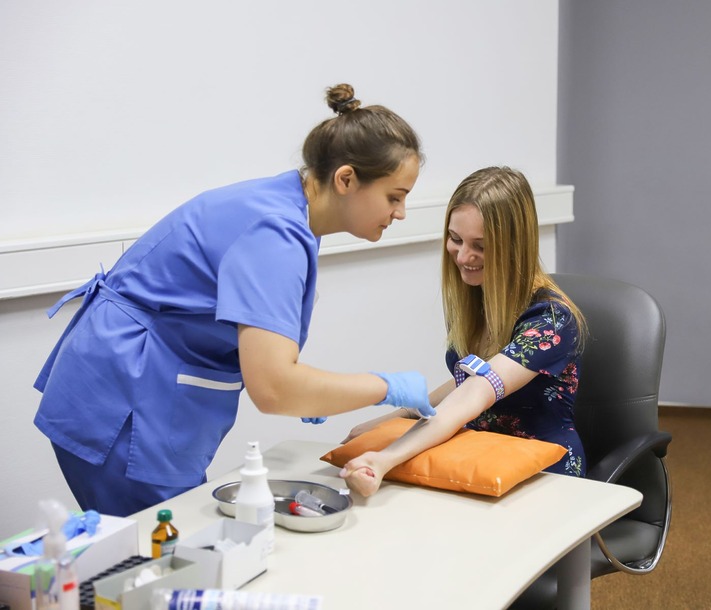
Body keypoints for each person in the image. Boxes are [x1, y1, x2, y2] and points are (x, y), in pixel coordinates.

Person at [33, 84, 436, 516]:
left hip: (129, 380)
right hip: (125, 399)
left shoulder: (289, 204)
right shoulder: (275, 233)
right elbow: (274, 389)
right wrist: (385, 387)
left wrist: (314, 392)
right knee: (162, 542)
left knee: (164, 538)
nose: (400, 213)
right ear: (346, 179)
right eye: (395, 196)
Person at [339, 166, 587, 497]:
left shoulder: (552, 320)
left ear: (515, 247)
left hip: (544, 472)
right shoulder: (477, 297)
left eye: (480, 246)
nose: (464, 256)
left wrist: (385, 458)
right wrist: (393, 420)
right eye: (456, 239)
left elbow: (476, 392)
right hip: (478, 455)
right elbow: (464, 384)